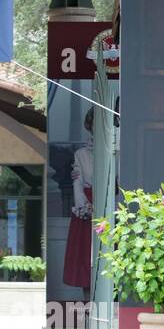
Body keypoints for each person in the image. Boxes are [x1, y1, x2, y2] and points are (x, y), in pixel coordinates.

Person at [62, 107, 95, 292]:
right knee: (84, 260)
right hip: (88, 209)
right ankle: (89, 310)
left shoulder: (117, 151)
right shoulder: (81, 154)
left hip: (111, 208)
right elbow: (78, 182)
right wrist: (84, 207)